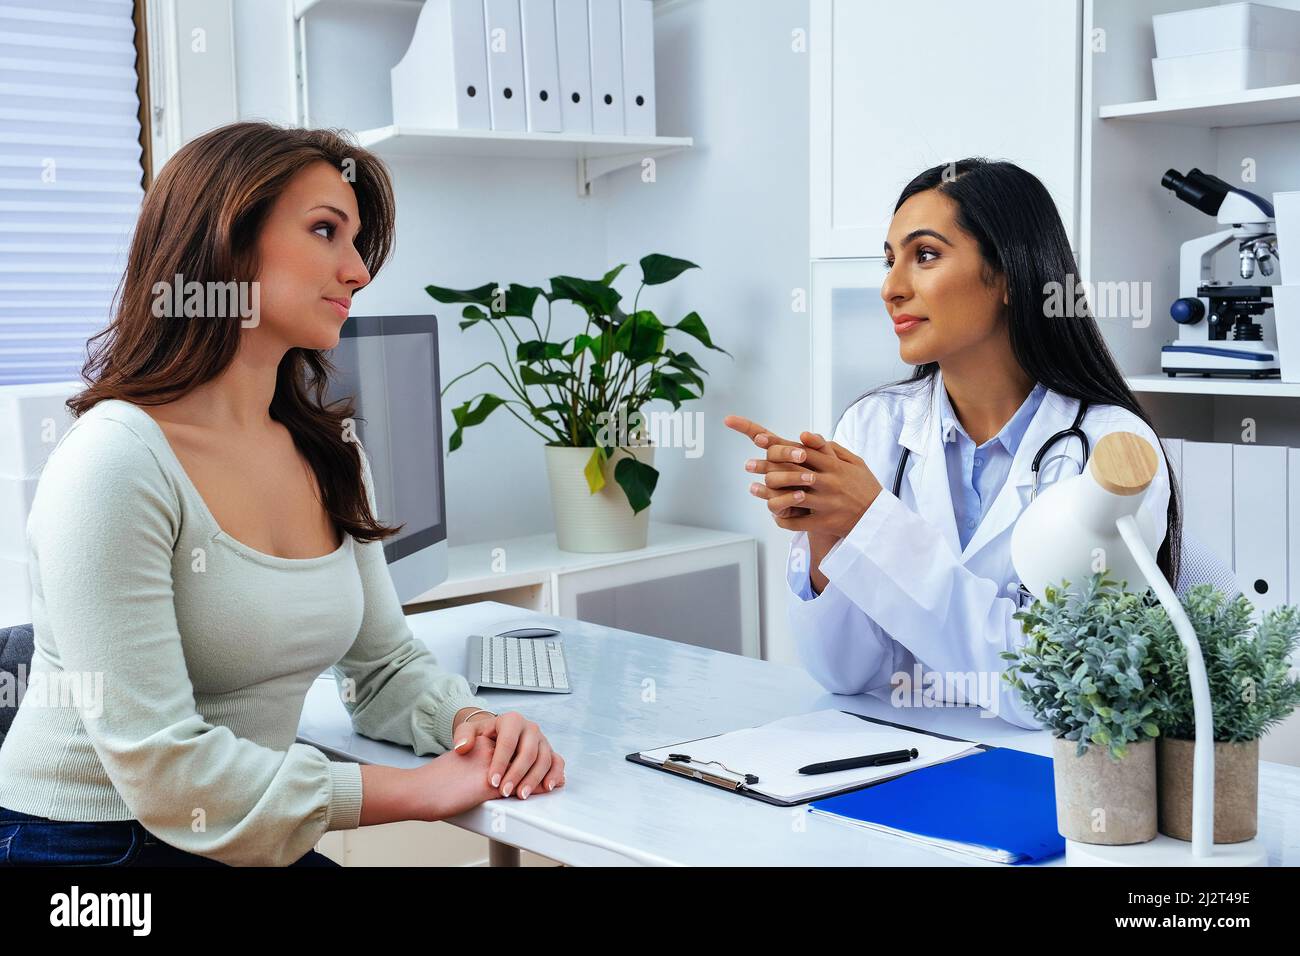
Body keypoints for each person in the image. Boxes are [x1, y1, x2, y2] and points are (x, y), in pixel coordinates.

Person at [0, 121, 563, 867]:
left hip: (229, 835)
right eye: (326, 231)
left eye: (357, 242)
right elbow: (166, 771)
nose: (358, 271)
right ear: (224, 247)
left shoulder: (330, 454)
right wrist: (418, 790)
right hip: (91, 848)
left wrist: (470, 723)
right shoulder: (113, 462)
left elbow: (384, 667)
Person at [726, 158, 1181, 729]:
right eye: (890, 260)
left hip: (1044, 777)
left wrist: (873, 523)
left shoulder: (1108, 448)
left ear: (1011, 276)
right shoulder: (872, 427)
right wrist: (825, 533)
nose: (891, 288)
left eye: (926, 255)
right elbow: (844, 674)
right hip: (894, 760)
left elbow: (1053, 689)